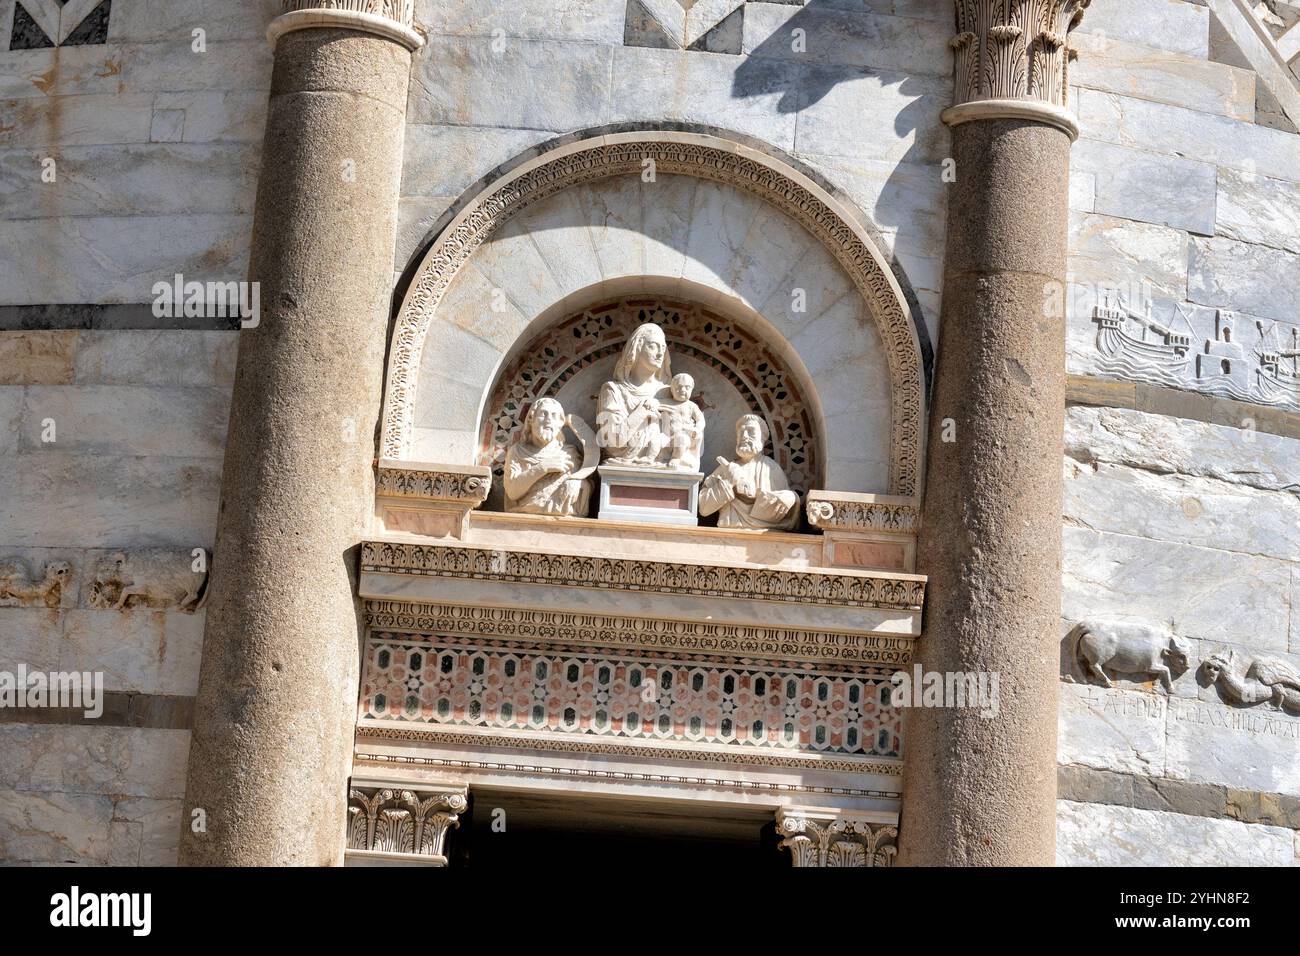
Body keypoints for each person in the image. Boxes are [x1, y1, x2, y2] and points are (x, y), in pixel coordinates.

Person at [699, 414, 800, 530]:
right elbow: (703, 508)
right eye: (741, 432)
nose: (744, 436)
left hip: (766, 535)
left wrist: (791, 497)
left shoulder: (771, 469)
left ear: (762, 438)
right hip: (729, 531)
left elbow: (790, 516)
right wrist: (728, 482)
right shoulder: (725, 469)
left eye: (751, 432)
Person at [596, 323, 673, 465]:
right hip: (619, 469)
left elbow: (680, 440)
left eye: (663, 348)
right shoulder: (613, 390)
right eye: (653, 346)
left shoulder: (669, 393)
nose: (660, 353)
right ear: (637, 348)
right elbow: (613, 441)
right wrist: (643, 411)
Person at [503, 398, 593, 516]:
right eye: (543, 414)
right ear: (531, 420)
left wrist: (577, 483)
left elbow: (586, 484)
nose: (548, 420)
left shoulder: (569, 454)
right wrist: (542, 468)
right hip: (521, 517)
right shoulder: (518, 452)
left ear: (560, 423)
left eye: (554, 416)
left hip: (565, 520)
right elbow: (512, 492)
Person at [659, 373, 705, 473]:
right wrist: (652, 403)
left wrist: (697, 429)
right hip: (668, 436)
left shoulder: (691, 406)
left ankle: (675, 458)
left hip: (686, 436)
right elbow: (654, 403)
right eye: (679, 387)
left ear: (691, 389)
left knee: (682, 439)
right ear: (672, 389)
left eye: (687, 387)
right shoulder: (666, 402)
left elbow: (700, 420)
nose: (683, 390)